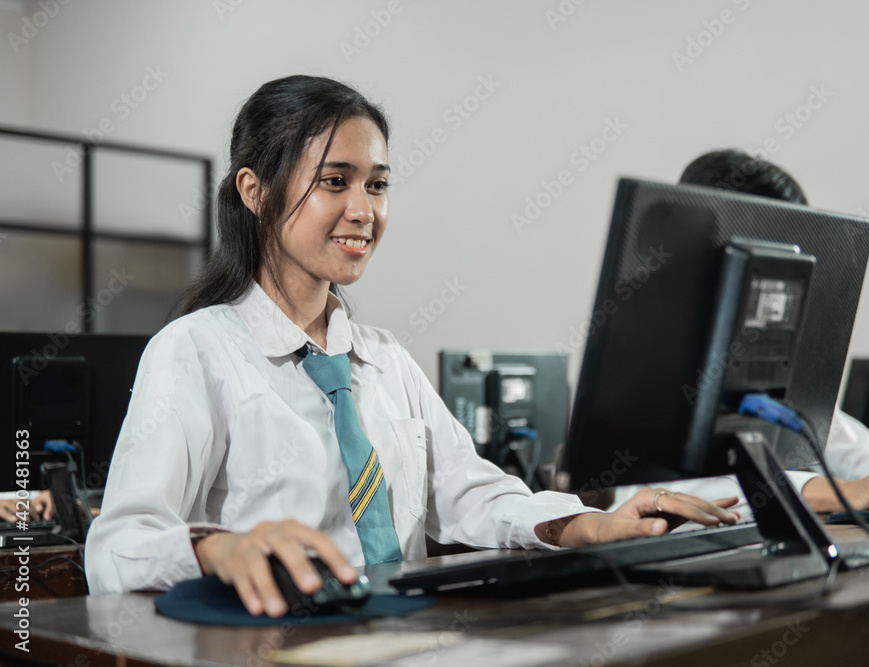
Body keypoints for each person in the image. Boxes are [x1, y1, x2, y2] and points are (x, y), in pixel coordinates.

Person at [84, 76, 740, 618]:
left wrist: (586, 525)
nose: (364, 210)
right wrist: (214, 547)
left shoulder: (383, 359)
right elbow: (116, 546)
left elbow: (473, 493)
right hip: (271, 646)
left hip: (400, 637)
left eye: (377, 184)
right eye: (335, 181)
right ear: (254, 192)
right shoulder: (194, 350)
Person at [615, 149, 869, 515]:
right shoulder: (647, 356)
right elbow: (663, 492)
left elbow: (853, 457)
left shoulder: (771, 357)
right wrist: (832, 493)